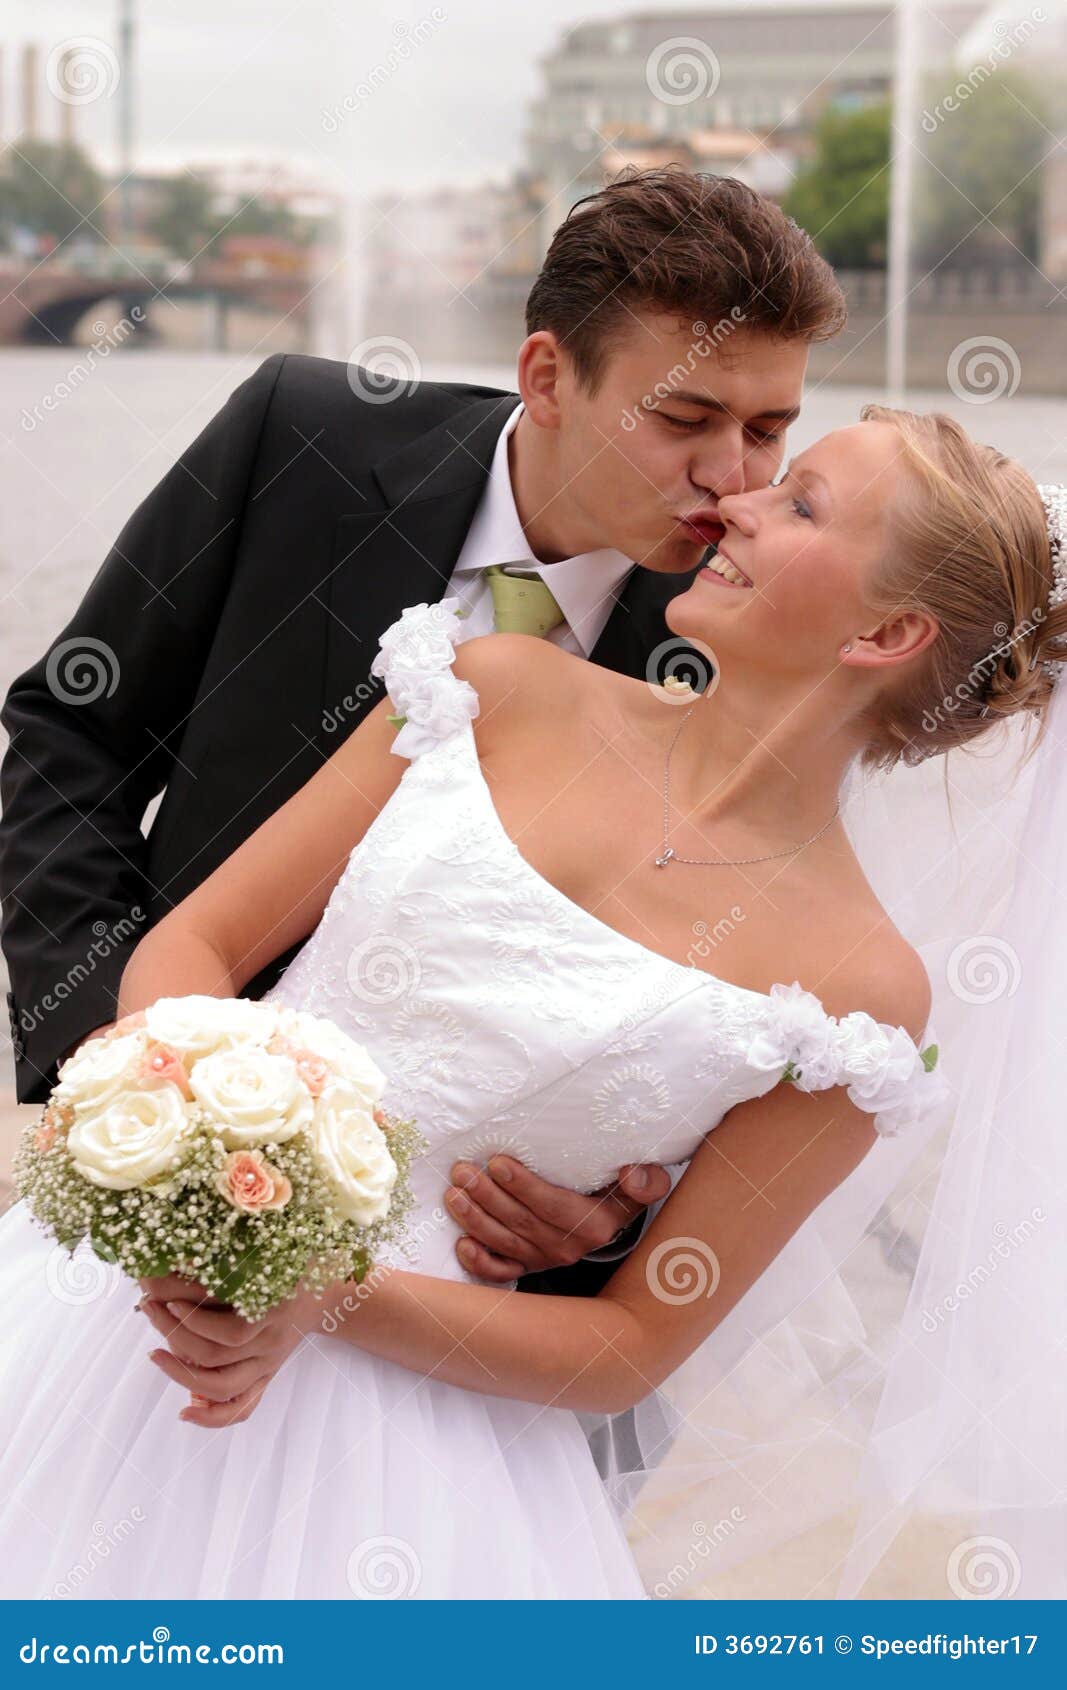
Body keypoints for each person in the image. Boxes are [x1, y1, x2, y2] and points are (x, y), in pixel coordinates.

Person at [0, 406, 1059, 1599]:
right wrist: (200, 1182)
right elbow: (200, 936)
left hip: (416, 1450)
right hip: (115, 1302)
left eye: (800, 501)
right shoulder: (492, 689)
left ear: (889, 629)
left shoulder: (861, 994)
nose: (739, 501)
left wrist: (319, 1292)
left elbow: (629, 1348)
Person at [0, 168, 846, 1301]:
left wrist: (608, 1217)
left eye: (769, 429)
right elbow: (75, 734)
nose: (730, 478)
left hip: (445, 1286)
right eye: (685, 419)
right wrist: (121, 1079)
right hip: (141, 1157)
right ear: (546, 375)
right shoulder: (296, 434)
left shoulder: (744, 643)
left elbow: (725, 1008)